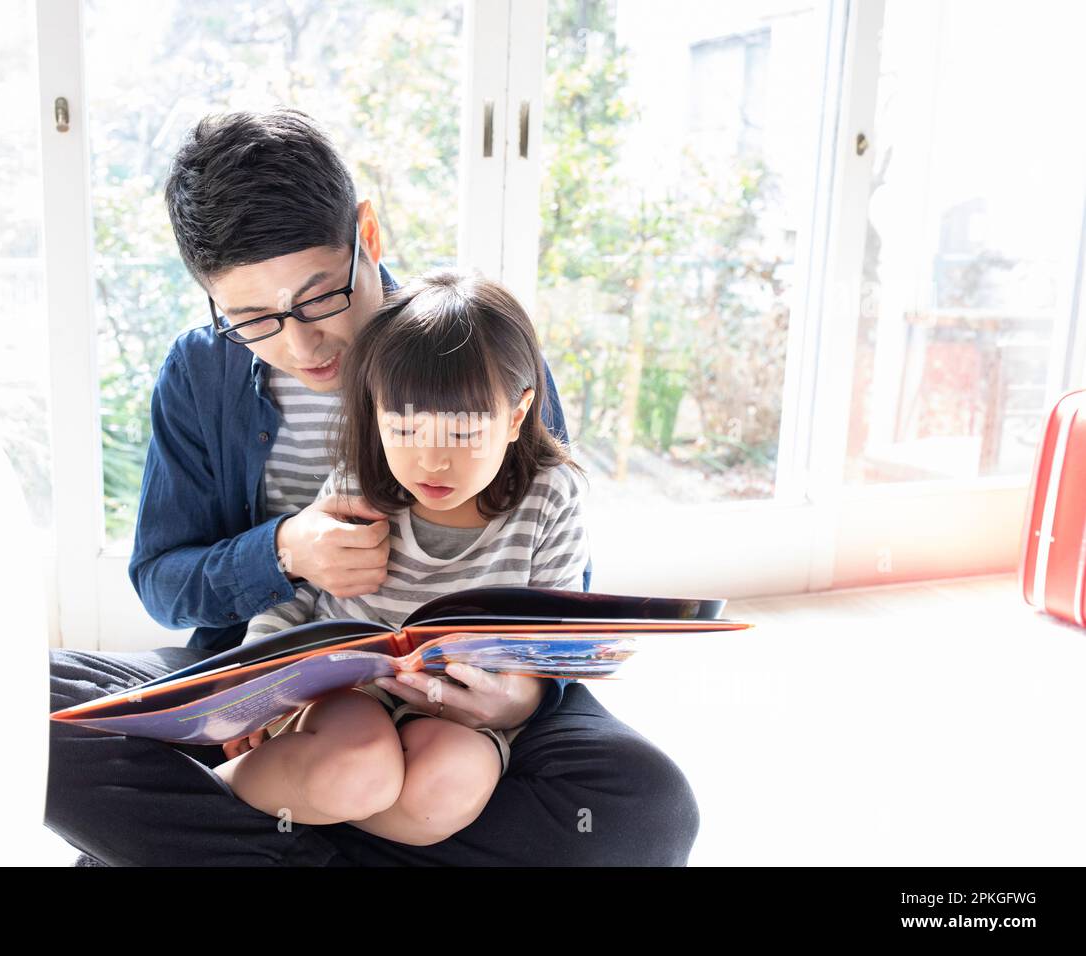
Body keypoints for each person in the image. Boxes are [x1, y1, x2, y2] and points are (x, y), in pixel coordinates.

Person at [45, 107, 701, 866]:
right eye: (252, 317)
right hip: (267, 685)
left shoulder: (476, 349)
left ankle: (238, 838)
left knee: (645, 810)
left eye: (319, 297)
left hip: (468, 701)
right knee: (23, 701)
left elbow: (553, 588)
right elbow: (163, 584)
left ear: (369, 237)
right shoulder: (201, 371)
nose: (300, 343)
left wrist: (520, 697)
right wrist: (284, 552)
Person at [217, 270, 591, 847]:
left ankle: (311, 828)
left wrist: (519, 693)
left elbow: (553, 643)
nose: (431, 462)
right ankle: (209, 791)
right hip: (349, 694)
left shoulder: (551, 496)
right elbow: (296, 600)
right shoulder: (359, 487)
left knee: (443, 789)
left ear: (517, 416)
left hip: (461, 710)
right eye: (404, 427)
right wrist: (251, 692)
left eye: (463, 434)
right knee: (357, 768)